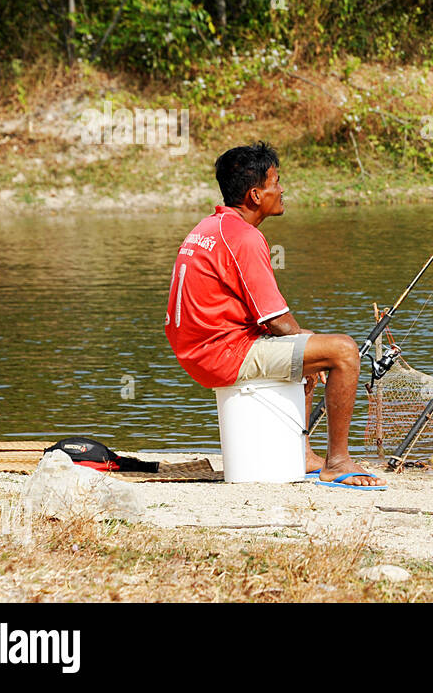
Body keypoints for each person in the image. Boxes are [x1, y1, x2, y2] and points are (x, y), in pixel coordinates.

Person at [164, 142, 385, 489]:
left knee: (307, 345)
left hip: (199, 350)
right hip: (223, 354)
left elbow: (277, 325)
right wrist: (308, 345)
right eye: (275, 182)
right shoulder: (244, 237)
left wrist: (304, 345)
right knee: (342, 350)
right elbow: (277, 321)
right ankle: (337, 461)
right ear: (255, 194)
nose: (281, 190)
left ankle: (304, 455)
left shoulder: (209, 227)